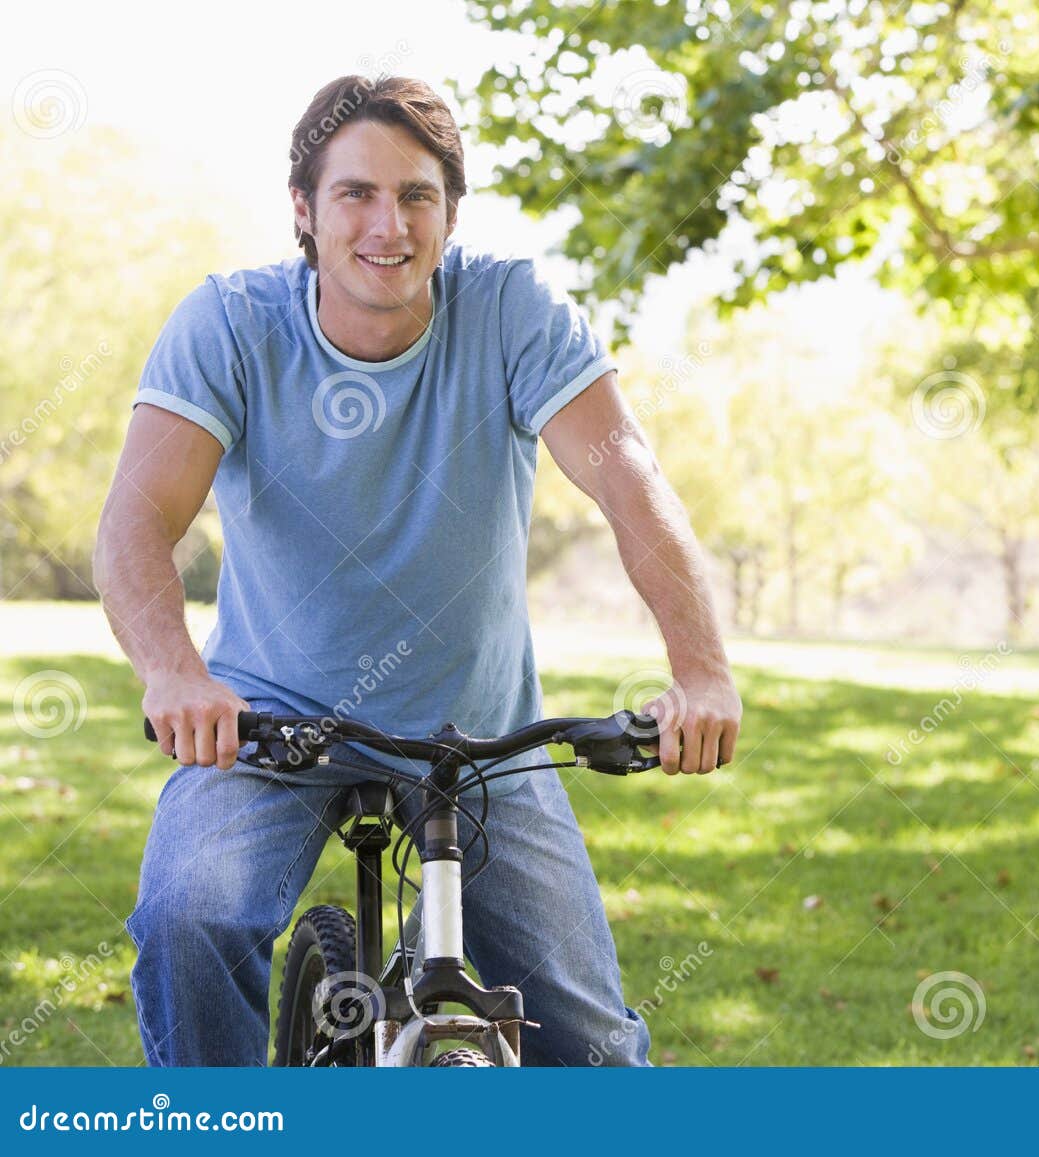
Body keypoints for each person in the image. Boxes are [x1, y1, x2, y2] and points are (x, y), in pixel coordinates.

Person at [91, 74, 742, 1067]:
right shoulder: (230, 321)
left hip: (480, 734)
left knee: (597, 1052)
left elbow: (630, 485)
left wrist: (700, 667)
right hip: (274, 722)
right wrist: (176, 672)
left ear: (449, 213)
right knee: (191, 918)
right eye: (356, 193)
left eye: (417, 196)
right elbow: (137, 518)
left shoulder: (513, 310)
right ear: (304, 211)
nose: (387, 225)